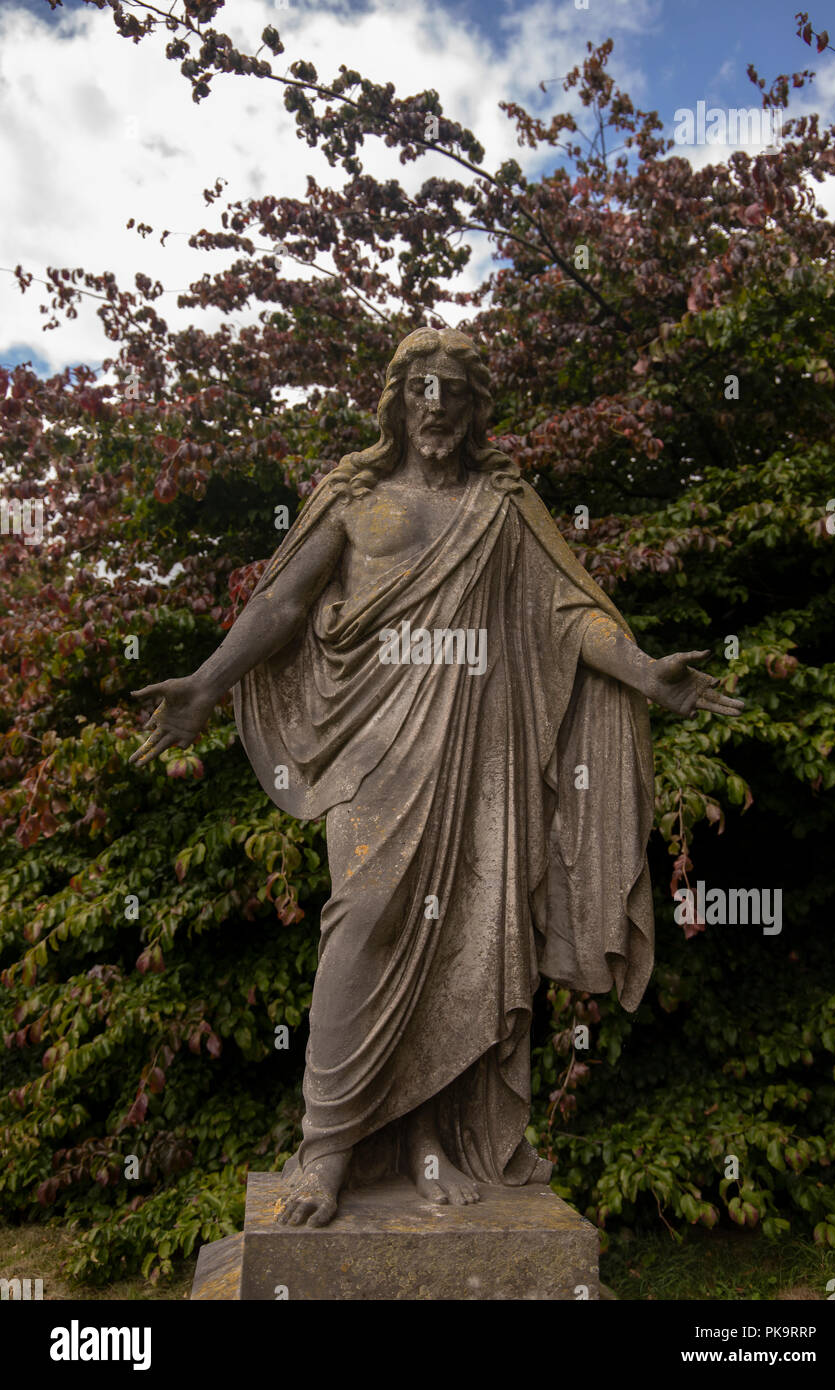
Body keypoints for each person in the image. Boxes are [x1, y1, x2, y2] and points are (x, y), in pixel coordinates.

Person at [131, 327, 742, 1228]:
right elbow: (283, 601)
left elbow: (567, 615)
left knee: (464, 937)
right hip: (374, 747)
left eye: (454, 388)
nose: (436, 405)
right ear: (396, 399)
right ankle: (326, 1148)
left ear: (475, 404)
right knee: (363, 921)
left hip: (481, 753)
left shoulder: (505, 505)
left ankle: (428, 1144)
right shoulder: (354, 496)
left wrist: (645, 672)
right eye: (421, 386)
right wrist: (208, 683)